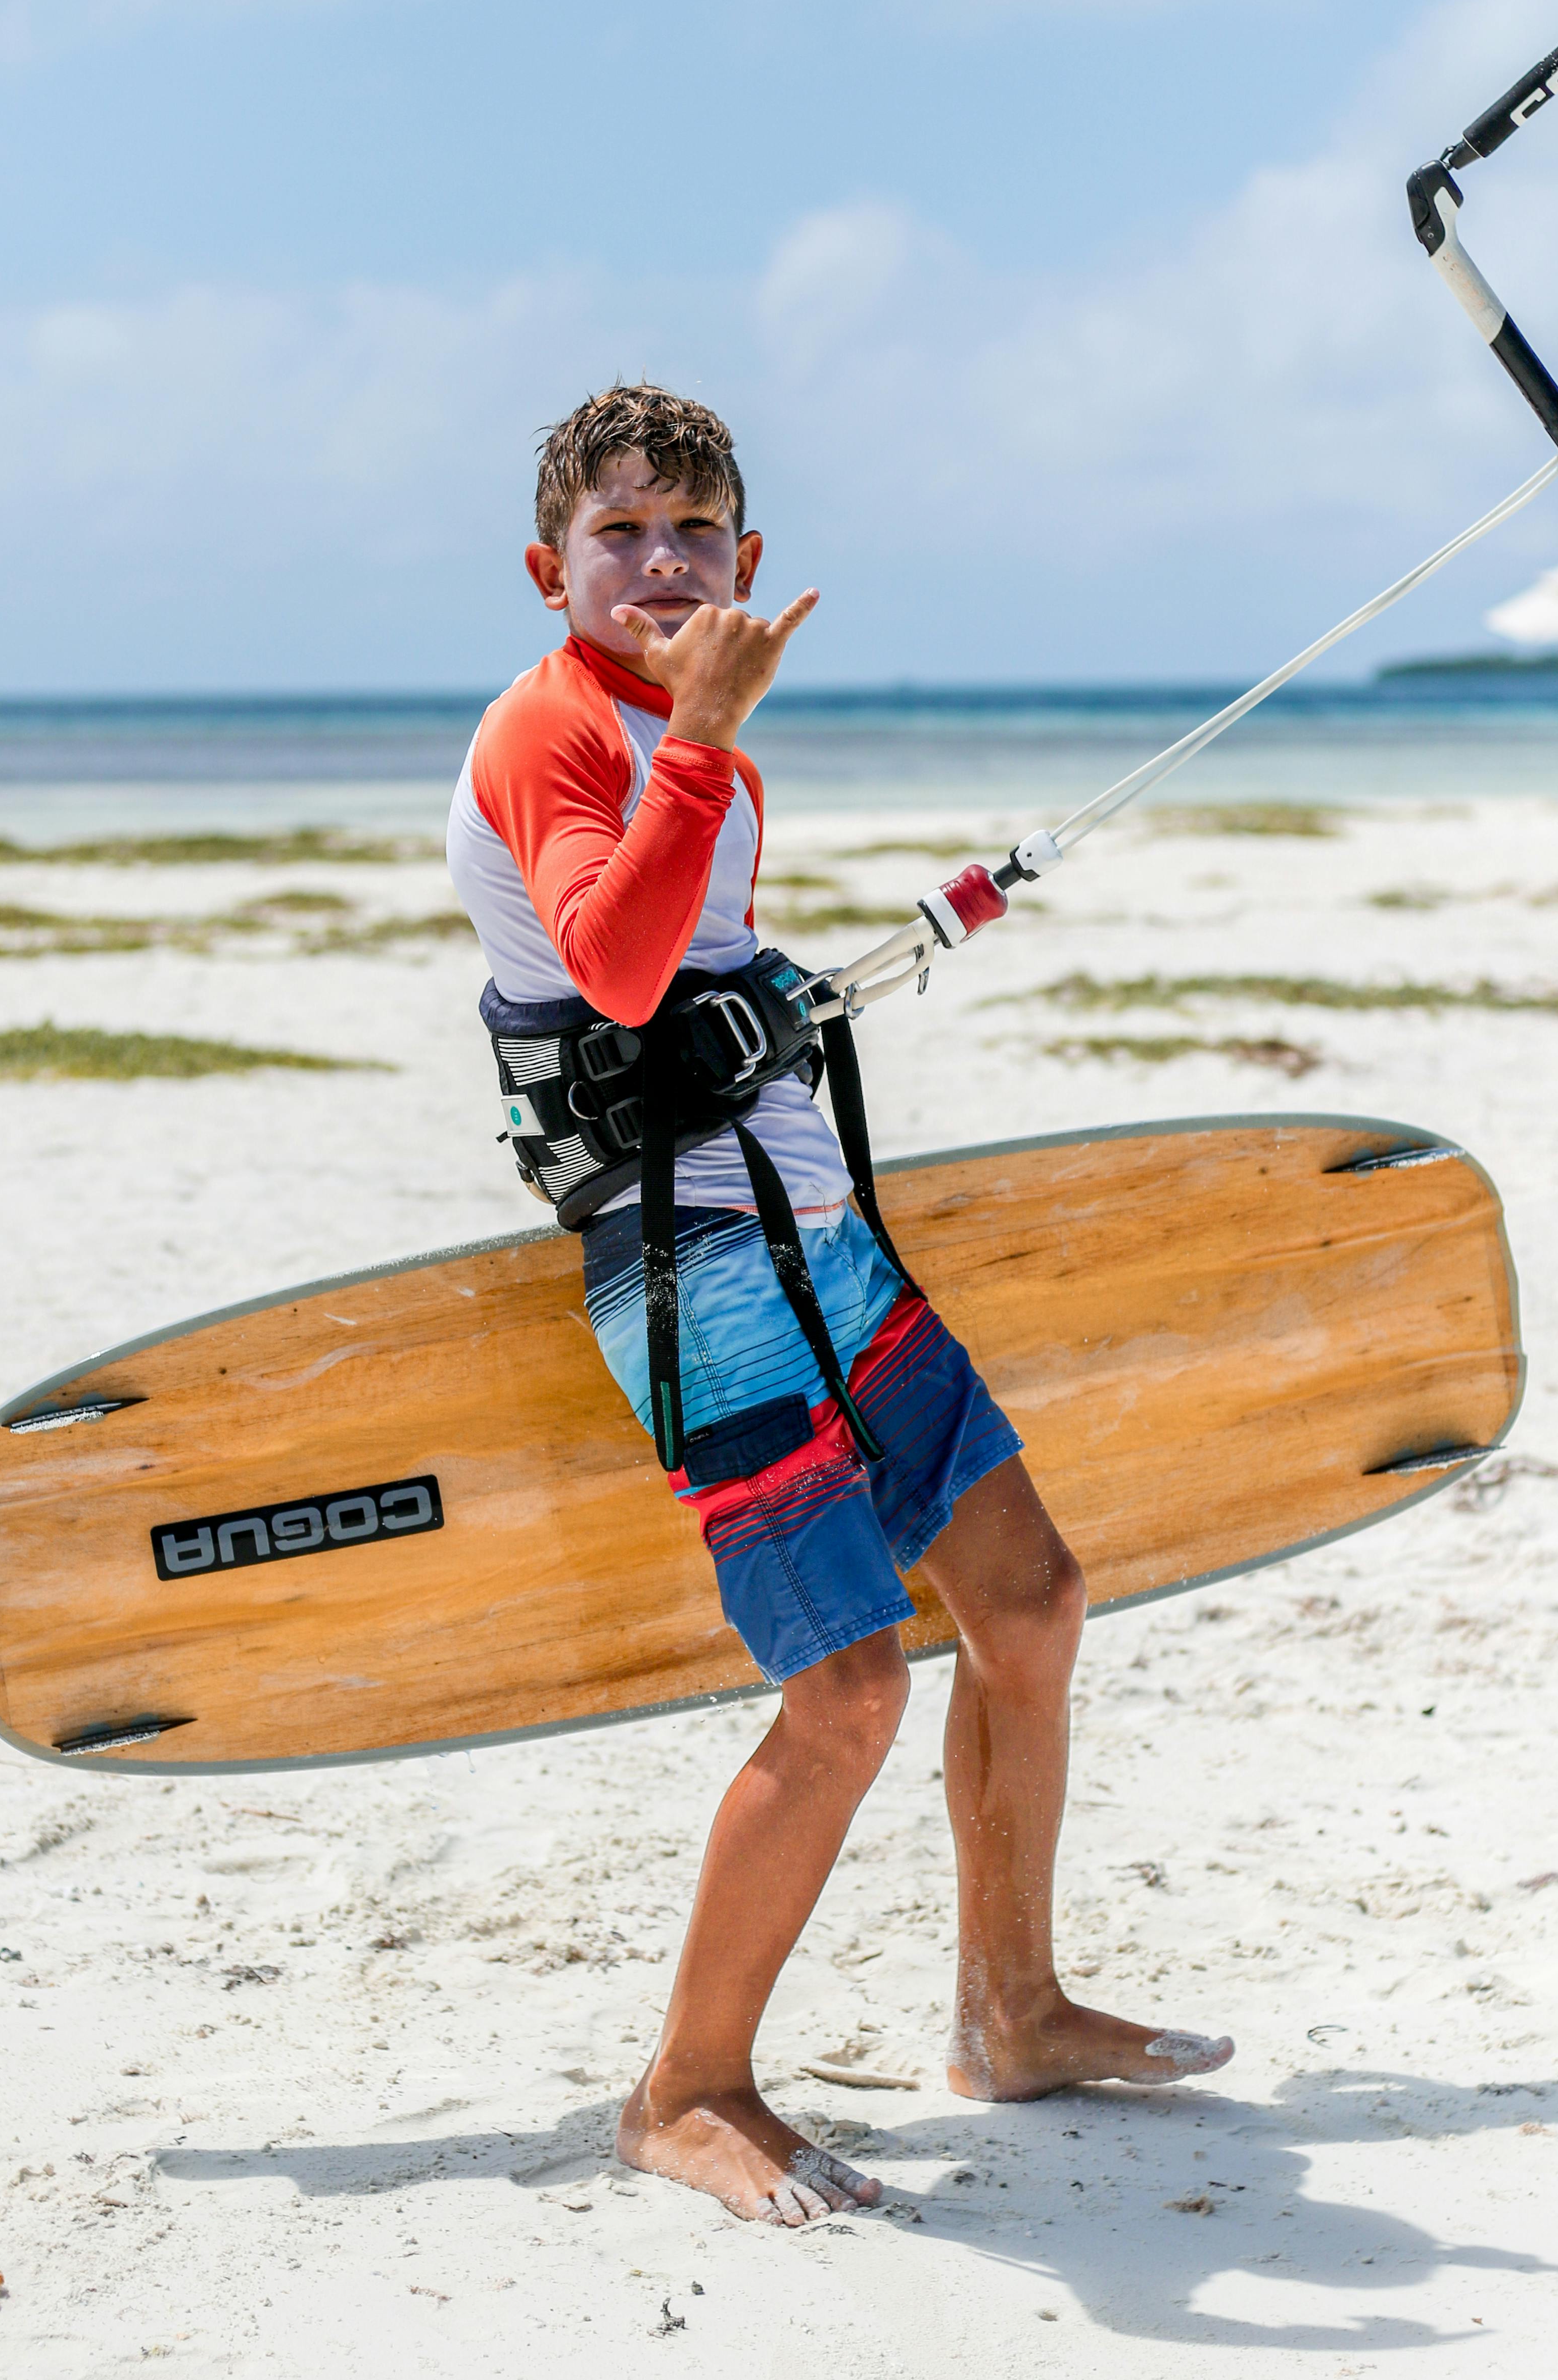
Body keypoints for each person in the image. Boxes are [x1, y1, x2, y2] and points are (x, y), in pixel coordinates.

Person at [446, 383, 1233, 2228]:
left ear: (749, 560)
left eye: (693, 532)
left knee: (1031, 1599)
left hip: (816, 1222)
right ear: (550, 566)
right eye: (621, 534)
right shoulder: (550, 730)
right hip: (692, 1273)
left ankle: (1011, 2014)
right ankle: (687, 2089)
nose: (659, 563)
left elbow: (699, 966)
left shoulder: (688, 734)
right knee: (850, 1690)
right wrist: (704, 736)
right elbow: (621, 969)